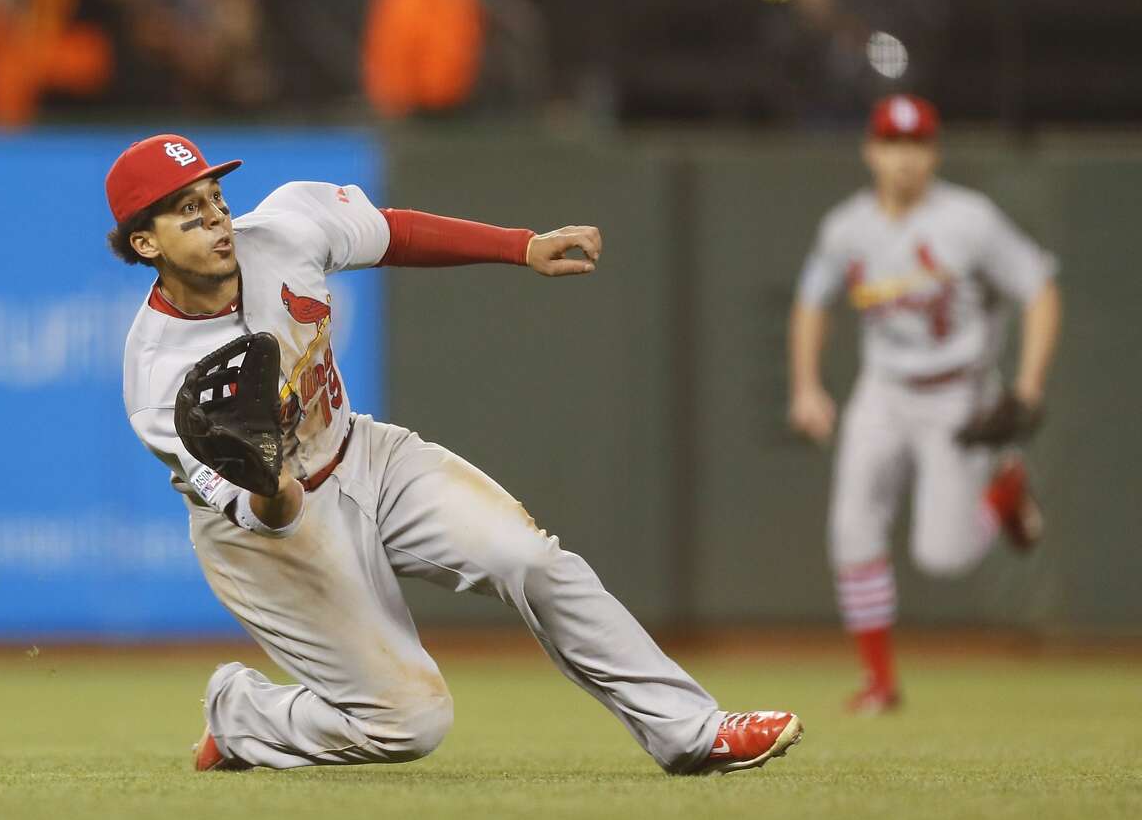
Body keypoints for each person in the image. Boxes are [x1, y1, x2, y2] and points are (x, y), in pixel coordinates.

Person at [106, 134, 803, 774]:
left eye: (215, 200)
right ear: (145, 242)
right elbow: (271, 513)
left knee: (531, 559)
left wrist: (520, 246)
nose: (218, 220)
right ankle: (242, 714)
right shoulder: (158, 377)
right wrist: (267, 476)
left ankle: (691, 730)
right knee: (410, 723)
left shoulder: (287, 227)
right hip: (266, 534)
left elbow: (396, 232)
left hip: (361, 452)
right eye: (189, 213)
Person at [787, 94, 1061, 713]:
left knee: (946, 556)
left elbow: (1040, 288)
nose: (903, 158)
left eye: (915, 144)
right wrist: (806, 386)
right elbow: (811, 301)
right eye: (891, 143)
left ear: (933, 152)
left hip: (958, 395)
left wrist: (1027, 387)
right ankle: (880, 683)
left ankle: (1003, 494)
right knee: (851, 528)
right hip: (882, 391)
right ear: (870, 150)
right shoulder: (846, 226)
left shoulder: (970, 220)